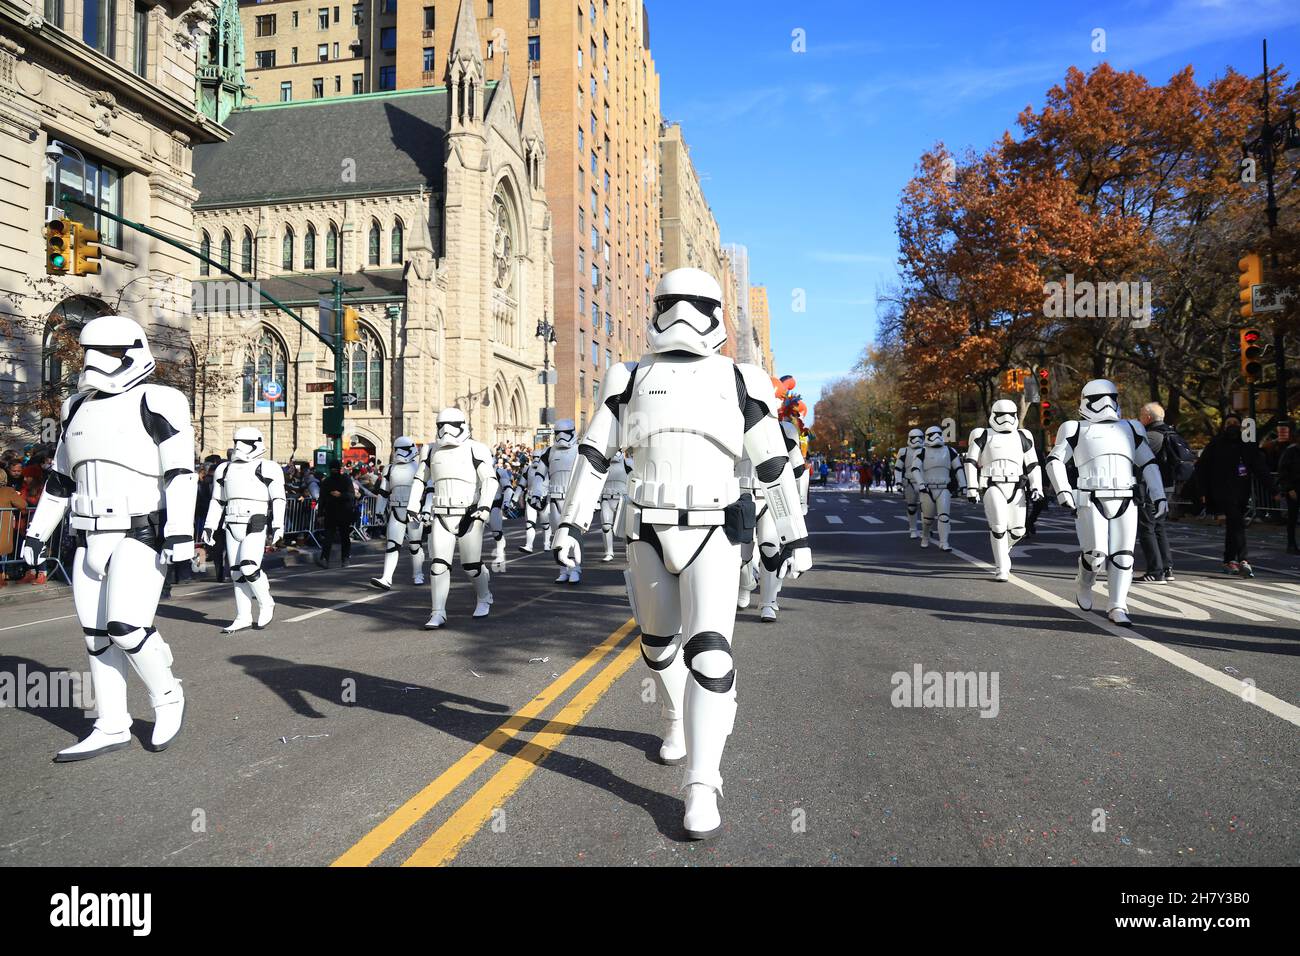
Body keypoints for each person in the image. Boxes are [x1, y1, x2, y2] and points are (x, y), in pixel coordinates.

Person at [552, 267, 812, 841]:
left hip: (714, 529)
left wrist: (793, 533)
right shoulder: (629, 375)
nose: (682, 314)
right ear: (656, 307)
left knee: (711, 653)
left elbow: (771, 462)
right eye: (672, 301)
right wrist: (571, 522)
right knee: (656, 644)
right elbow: (594, 453)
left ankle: (702, 783)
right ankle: (676, 716)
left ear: (716, 312)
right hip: (644, 529)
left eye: (695, 302)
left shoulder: (741, 378)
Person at [20, 314, 192, 760]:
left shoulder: (159, 400)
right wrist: (37, 534)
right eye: (89, 351)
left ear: (134, 351)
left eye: (110, 352)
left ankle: (167, 695)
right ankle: (111, 722)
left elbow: (179, 473)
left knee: (126, 626)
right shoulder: (74, 407)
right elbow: (61, 480)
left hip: (140, 530)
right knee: (96, 635)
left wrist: (180, 534)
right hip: (88, 532)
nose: (96, 361)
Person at [1047, 379, 1167, 626]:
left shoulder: (1132, 428)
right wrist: (1063, 492)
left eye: (1110, 397)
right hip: (1090, 496)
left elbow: (1148, 462)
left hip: (1126, 496)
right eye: (1097, 399)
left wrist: (1159, 494)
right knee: (1095, 554)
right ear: (1085, 402)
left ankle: (1118, 606)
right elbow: (1055, 460)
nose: (1105, 404)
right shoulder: (1075, 428)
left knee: (1124, 556)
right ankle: (1084, 582)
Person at [408, 407, 498, 628]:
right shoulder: (429, 450)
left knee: (471, 566)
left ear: (462, 425)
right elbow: (420, 479)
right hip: (441, 514)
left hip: (469, 513)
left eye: (452, 425)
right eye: (441, 425)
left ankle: (484, 596)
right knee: (438, 565)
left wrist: (484, 507)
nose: (446, 430)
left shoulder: (476, 449)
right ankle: (438, 611)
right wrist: (413, 505)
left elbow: (489, 480)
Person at [203, 427, 286, 632]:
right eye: (236, 441)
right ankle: (243, 615)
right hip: (231, 521)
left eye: (245, 442)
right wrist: (209, 526)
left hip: (255, 520)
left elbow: (278, 498)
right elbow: (217, 500)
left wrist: (278, 525)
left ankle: (266, 602)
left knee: (249, 566)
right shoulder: (224, 469)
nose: (239, 447)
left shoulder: (267, 467)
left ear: (256, 443)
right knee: (236, 572)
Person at [964, 400, 1044, 581]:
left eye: (1010, 414)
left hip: (1017, 485)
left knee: (1018, 530)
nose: (1006, 419)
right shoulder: (983, 434)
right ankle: (1001, 567)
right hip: (993, 484)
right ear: (993, 415)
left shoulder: (1023, 436)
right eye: (1001, 415)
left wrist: (1036, 486)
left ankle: (1002, 548)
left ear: (1016, 415)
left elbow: (1032, 464)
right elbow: (970, 461)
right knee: (999, 527)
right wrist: (972, 487)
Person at [1193, 415, 1273, 577]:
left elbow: (1259, 468)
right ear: (1224, 426)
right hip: (1221, 492)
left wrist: (1274, 490)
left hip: (1241, 493)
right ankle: (1243, 559)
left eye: (1236, 423)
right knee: (1237, 523)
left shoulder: (1246, 446)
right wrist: (1202, 492)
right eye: (1229, 423)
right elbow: (1202, 469)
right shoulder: (1216, 444)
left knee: (1234, 525)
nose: (1232, 426)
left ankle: (1229, 559)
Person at [369, 437, 426, 590]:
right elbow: (383, 491)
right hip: (395, 509)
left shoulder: (419, 468)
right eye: (397, 449)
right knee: (392, 545)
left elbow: (428, 490)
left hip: (413, 510)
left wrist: (427, 509)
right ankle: (387, 577)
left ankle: (418, 573)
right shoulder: (390, 468)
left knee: (415, 545)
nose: (400, 452)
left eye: (404, 449)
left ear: (412, 449)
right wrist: (379, 511)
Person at [1135, 402, 1177, 583]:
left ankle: (1155, 570)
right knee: (1159, 527)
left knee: (1147, 528)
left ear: (1148, 418)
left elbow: (1135, 459)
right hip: (1167, 486)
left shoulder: (1151, 437)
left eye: (1141, 415)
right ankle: (1167, 568)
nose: (1139, 418)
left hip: (1151, 488)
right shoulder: (1171, 433)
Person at [911, 425, 966, 551]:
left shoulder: (950, 451)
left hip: (944, 487)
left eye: (937, 434)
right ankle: (925, 536)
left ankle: (944, 542)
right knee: (927, 519)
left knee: (944, 516)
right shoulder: (921, 451)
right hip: (928, 489)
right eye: (931, 435)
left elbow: (958, 468)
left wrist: (963, 485)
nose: (935, 437)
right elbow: (915, 469)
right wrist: (921, 483)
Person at [315, 459, 356, 568]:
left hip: (344, 512)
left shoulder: (346, 480)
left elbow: (351, 495)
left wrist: (340, 495)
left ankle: (345, 558)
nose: (334, 471)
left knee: (344, 537)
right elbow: (322, 499)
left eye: (335, 469)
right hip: (331, 512)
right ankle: (325, 558)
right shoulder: (326, 482)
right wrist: (320, 514)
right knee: (328, 537)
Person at [893, 430, 924, 538]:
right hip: (909, 481)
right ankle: (913, 529)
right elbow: (898, 468)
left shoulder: (926, 450)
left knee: (926, 508)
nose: (917, 440)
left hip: (923, 481)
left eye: (920, 437)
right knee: (911, 507)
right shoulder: (904, 451)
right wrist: (898, 482)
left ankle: (926, 529)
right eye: (914, 437)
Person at [1278, 435, 1300, 554]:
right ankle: (1291, 544)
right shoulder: (1290, 452)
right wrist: (1289, 488)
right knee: (1292, 517)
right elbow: (1283, 471)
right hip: (1294, 488)